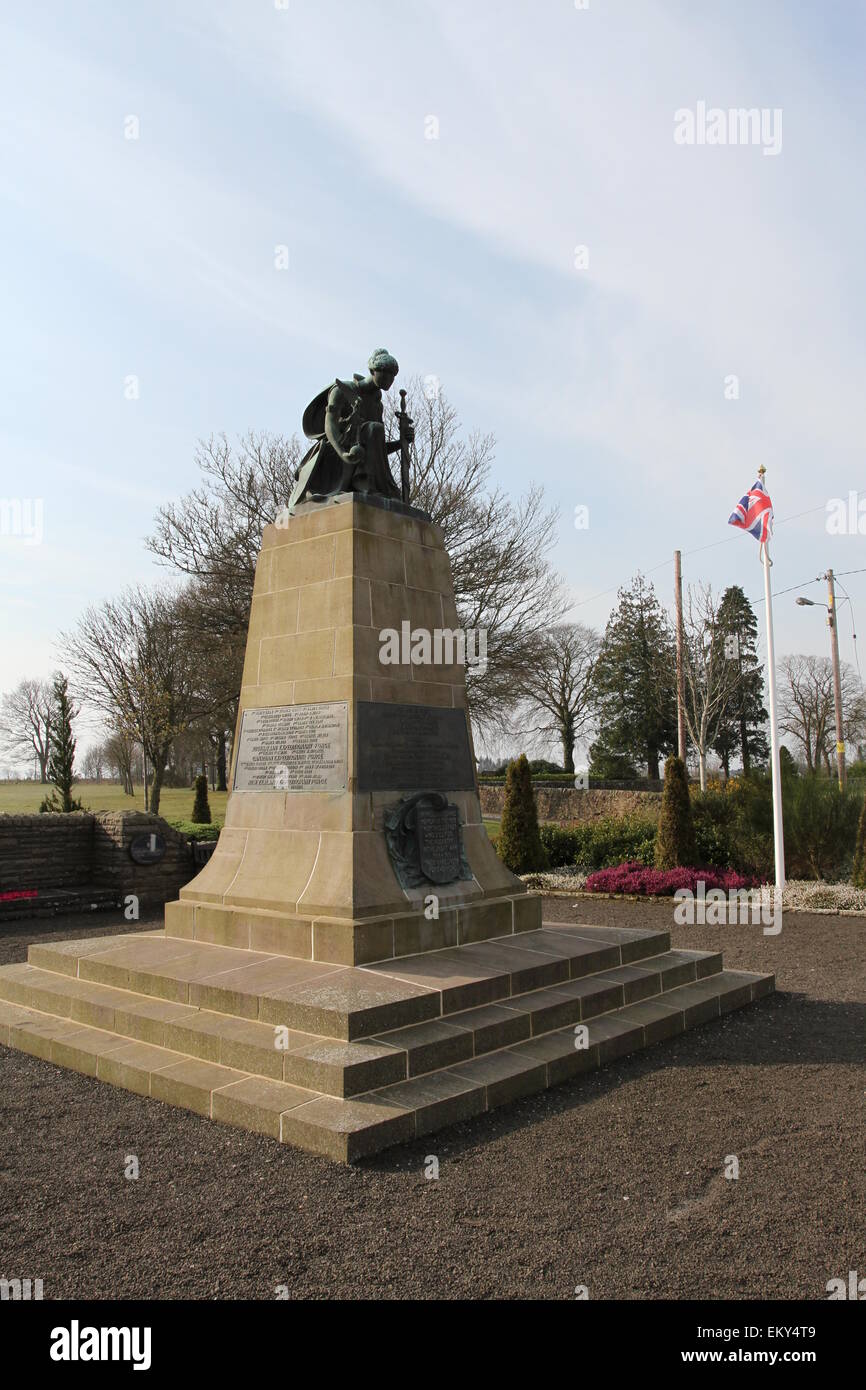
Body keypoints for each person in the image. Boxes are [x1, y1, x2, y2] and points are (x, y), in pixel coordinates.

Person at [288, 348, 414, 509]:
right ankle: (368, 488)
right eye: (385, 372)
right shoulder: (343, 390)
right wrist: (343, 453)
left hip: (359, 455)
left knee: (375, 429)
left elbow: (376, 448)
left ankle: (378, 491)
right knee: (374, 428)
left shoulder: (377, 405)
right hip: (335, 453)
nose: (390, 379)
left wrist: (401, 442)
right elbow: (330, 425)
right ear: (372, 371)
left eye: (393, 375)